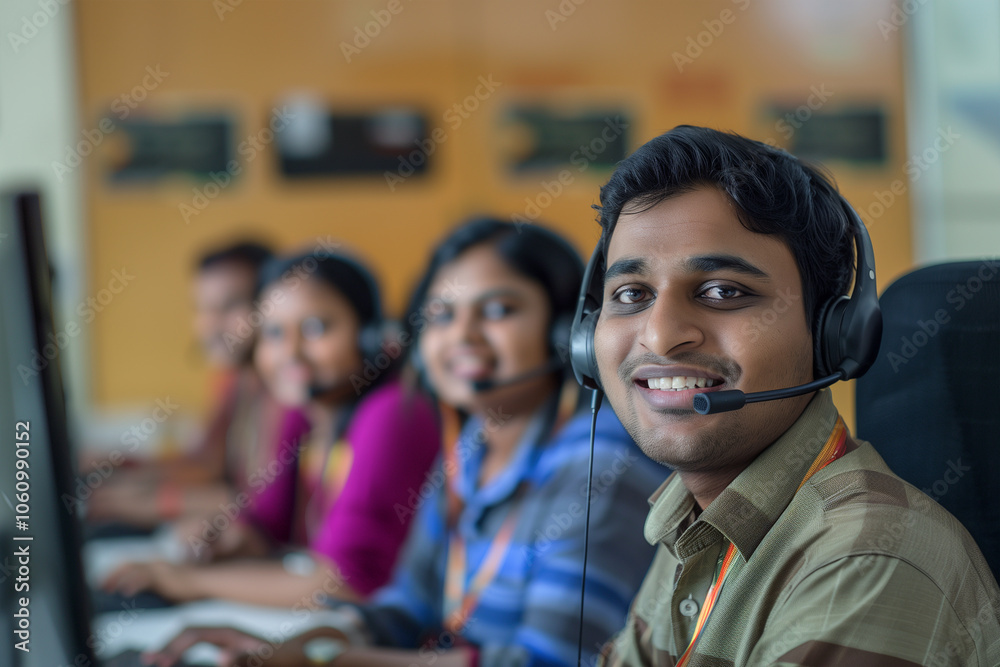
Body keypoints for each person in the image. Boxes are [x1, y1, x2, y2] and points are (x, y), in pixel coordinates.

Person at [146, 218, 667, 666]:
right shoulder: (472, 449)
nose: (461, 335)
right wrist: (293, 647)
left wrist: (332, 662)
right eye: (441, 315)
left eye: (498, 310)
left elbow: (551, 661)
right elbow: (406, 606)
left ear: (568, 334)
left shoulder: (599, 463)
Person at [579, 126, 1000, 665]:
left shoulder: (866, 560)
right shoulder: (698, 520)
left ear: (832, 333)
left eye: (723, 292)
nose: (660, 335)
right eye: (631, 294)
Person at [103, 250, 441, 607]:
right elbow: (270, 522)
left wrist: (191, 581)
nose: (290, 352)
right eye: (274, 332)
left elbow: (343, 585)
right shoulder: (313, 415)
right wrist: (235, 536)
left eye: (316, 328)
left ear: (370, 337)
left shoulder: (388, 415)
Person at [86, 240, 287, 529]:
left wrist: (155, 503)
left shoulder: (288, 394)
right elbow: (206, 463)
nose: (210, 325)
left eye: (230, 305)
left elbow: (261, 506)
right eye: (201, 308)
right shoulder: (238, 380)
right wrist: (120, 467)